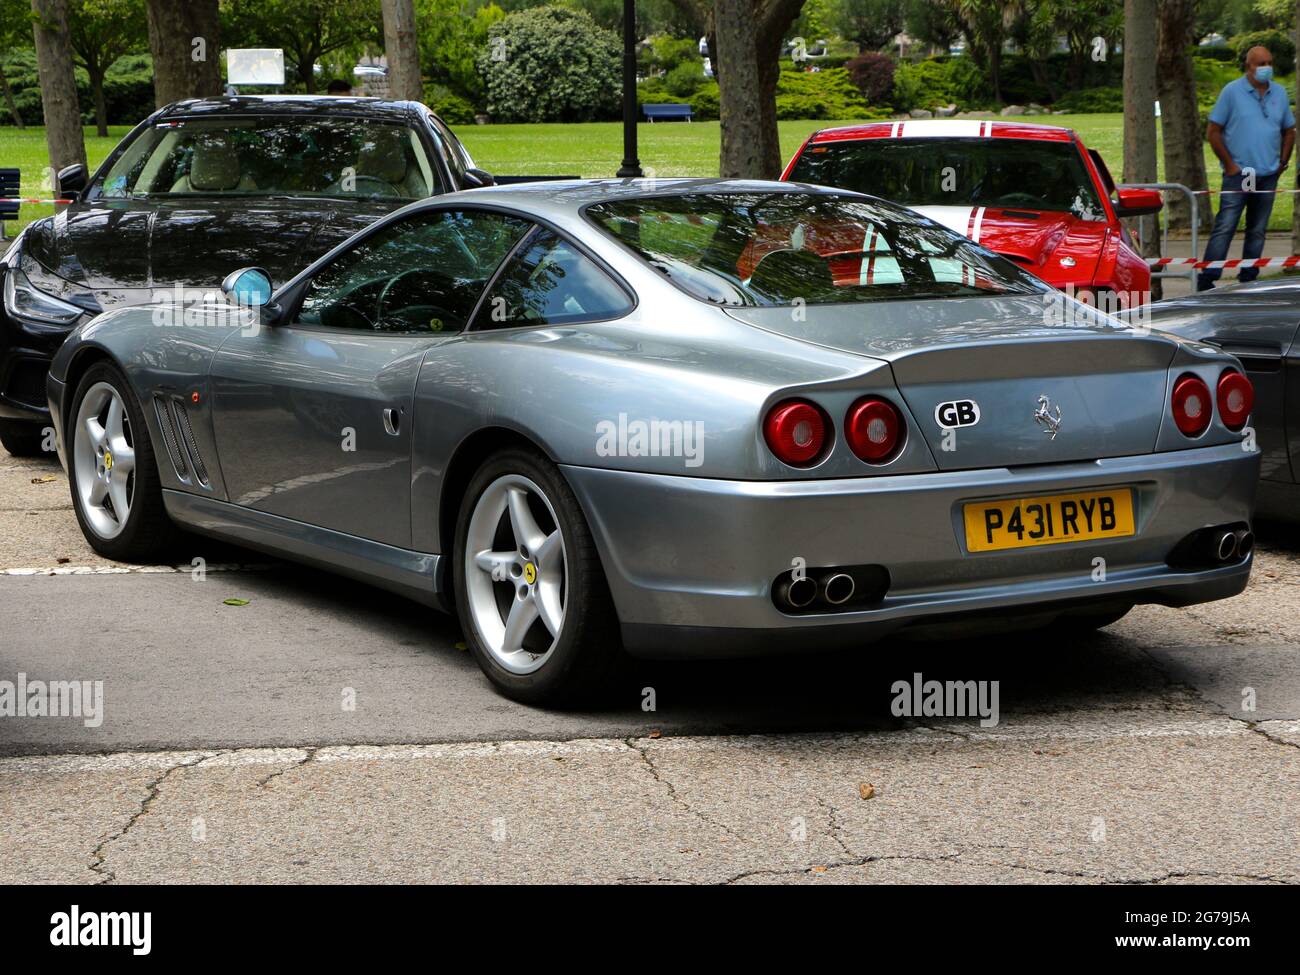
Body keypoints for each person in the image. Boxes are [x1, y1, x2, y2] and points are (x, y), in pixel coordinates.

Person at [1198, 45, 1296, 290]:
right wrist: (1230, 165)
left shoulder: (1280, 93)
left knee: (1258, 229)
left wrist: (1282, 162)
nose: (1266, 68)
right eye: (1260, 63)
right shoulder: (1232, 92)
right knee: (1226, 224)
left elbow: (1289, 130)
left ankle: (1248, 278)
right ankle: (1207, 278)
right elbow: (1213, 132)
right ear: (1248, 66)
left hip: (1267, 174)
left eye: (1269, 62)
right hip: (1240, 173)